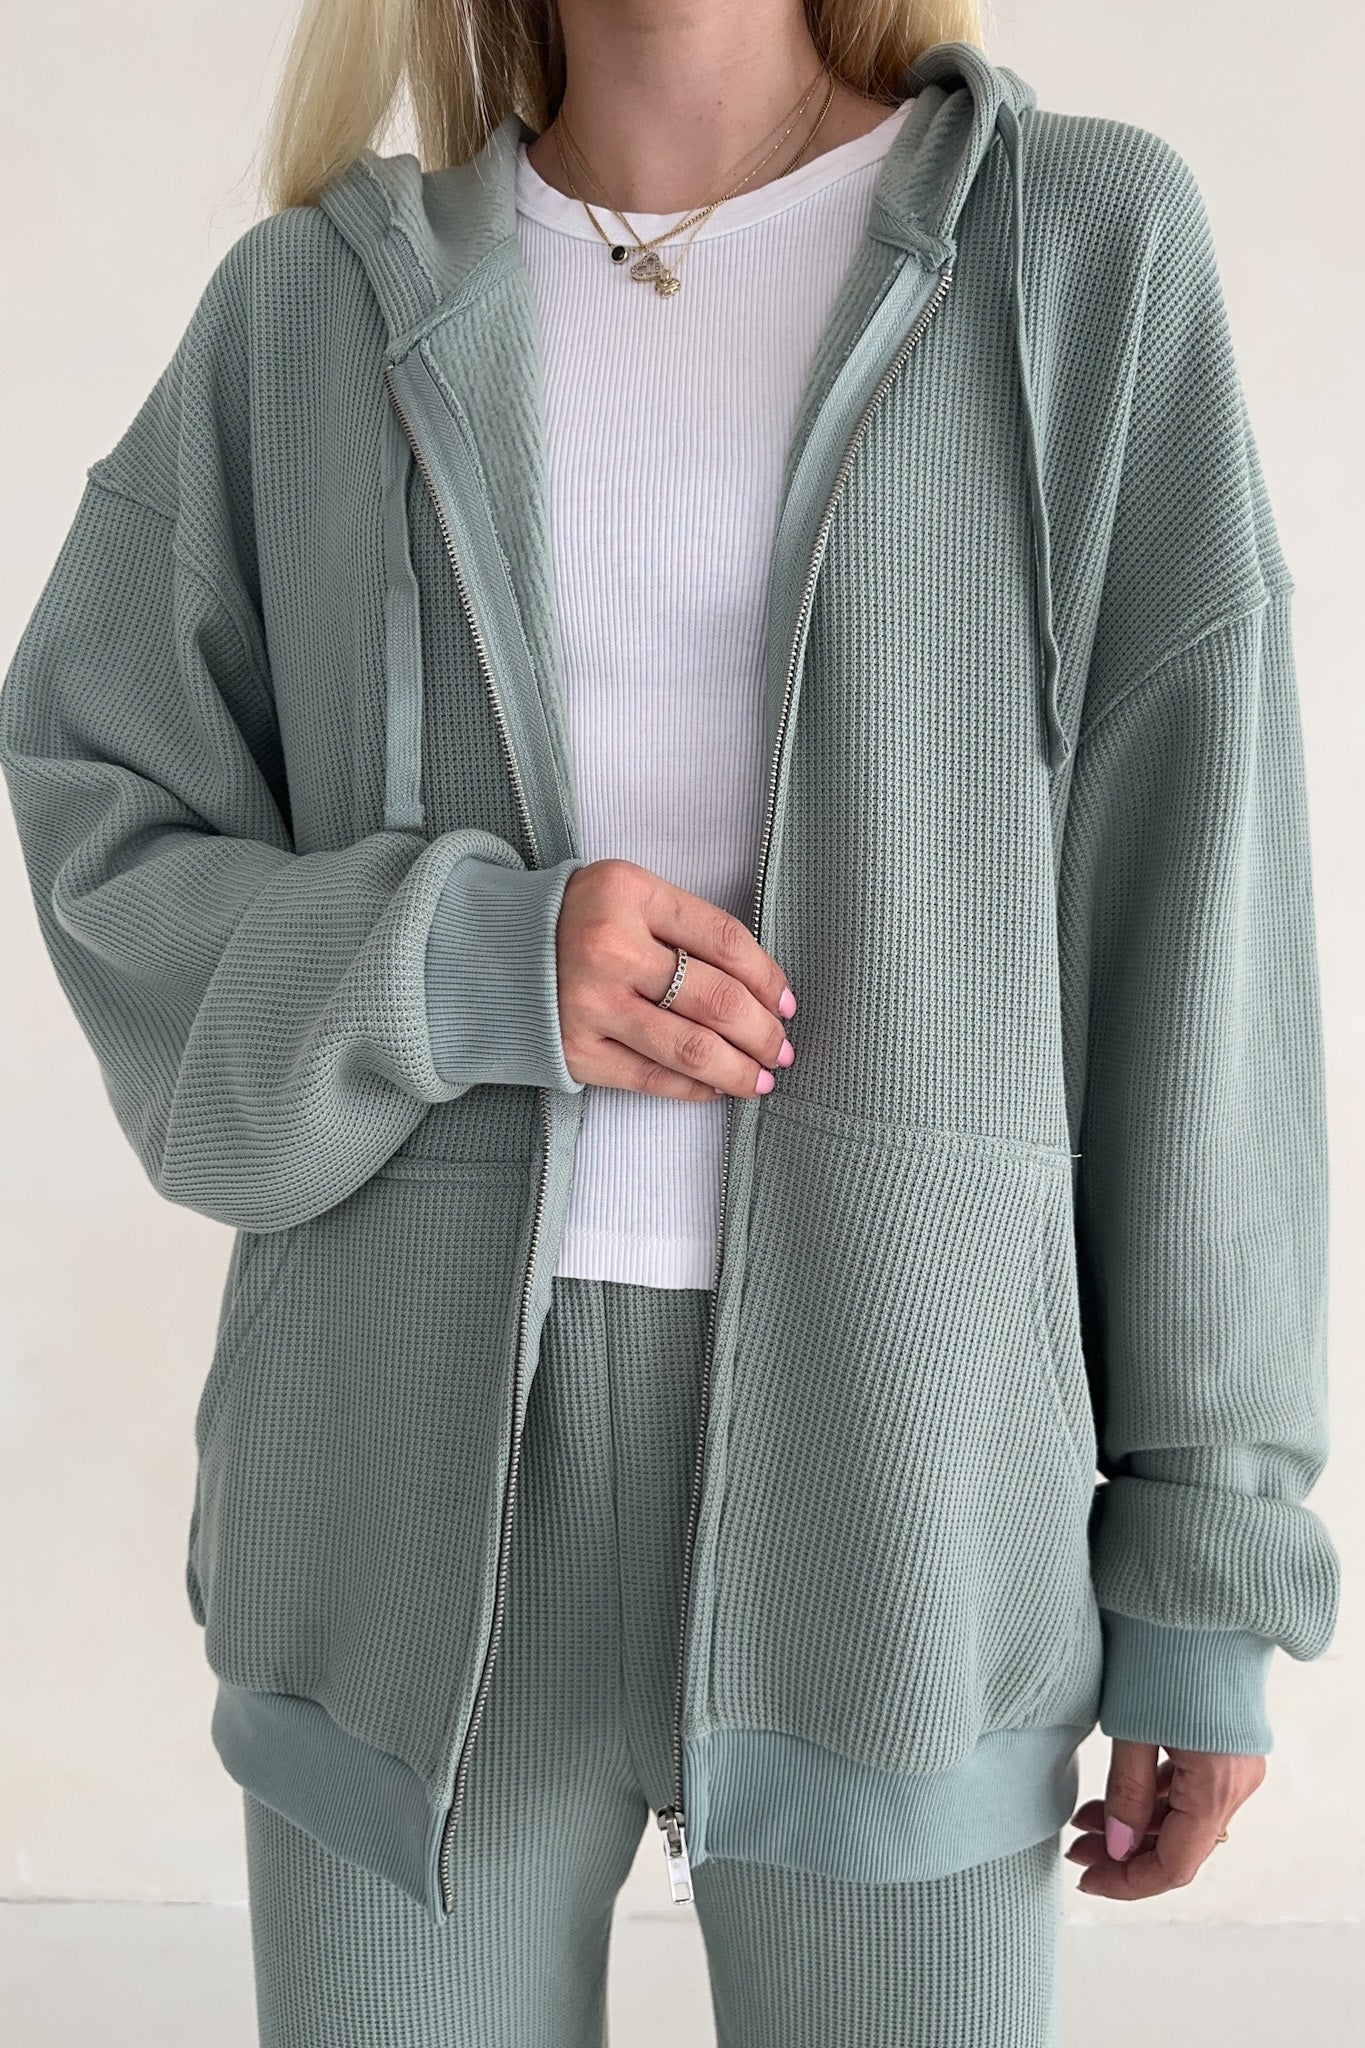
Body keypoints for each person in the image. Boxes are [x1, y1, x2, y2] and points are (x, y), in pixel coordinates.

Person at [0, 1, 1341, 2043]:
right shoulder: (310, 312)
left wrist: (1204, 1560)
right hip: (395, 1513)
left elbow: (1196, 919)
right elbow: (99, 795)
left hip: (901, 1497)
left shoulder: (1077, 251)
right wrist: (452, 958)